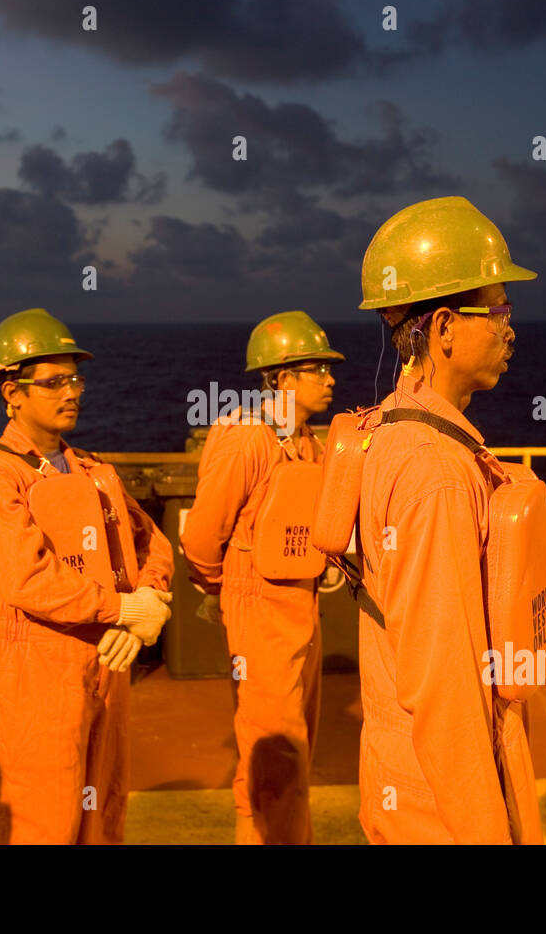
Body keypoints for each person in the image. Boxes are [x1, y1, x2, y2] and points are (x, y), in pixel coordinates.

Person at [0, 308, 174, 844]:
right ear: (11, 392)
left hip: (108, 660)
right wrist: (122, 610)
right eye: (53, 382)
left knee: (103, 816)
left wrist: (148, 595)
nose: (71, 392)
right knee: (39, 821)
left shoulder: (94, 470)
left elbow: (151, 542)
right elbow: (27, 578)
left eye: (75, 379)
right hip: (35, 669)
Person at [354, 196, 542, 843]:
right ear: (443, 327)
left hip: (404, 763)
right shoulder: (436, 472)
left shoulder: (392, 428)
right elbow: (446, 681)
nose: (510, 327)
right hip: (439, 794)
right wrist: (484, 830)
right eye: (497, 310)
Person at [180, 311, 343, 845]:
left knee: (296, 746)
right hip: (260, 603)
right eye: (317, 368)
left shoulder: (308, 443)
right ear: (281, 379)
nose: (331, 378)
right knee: (277, 749)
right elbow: (203, 534)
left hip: (301, 599)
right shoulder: (246, 438)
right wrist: (215, 587)